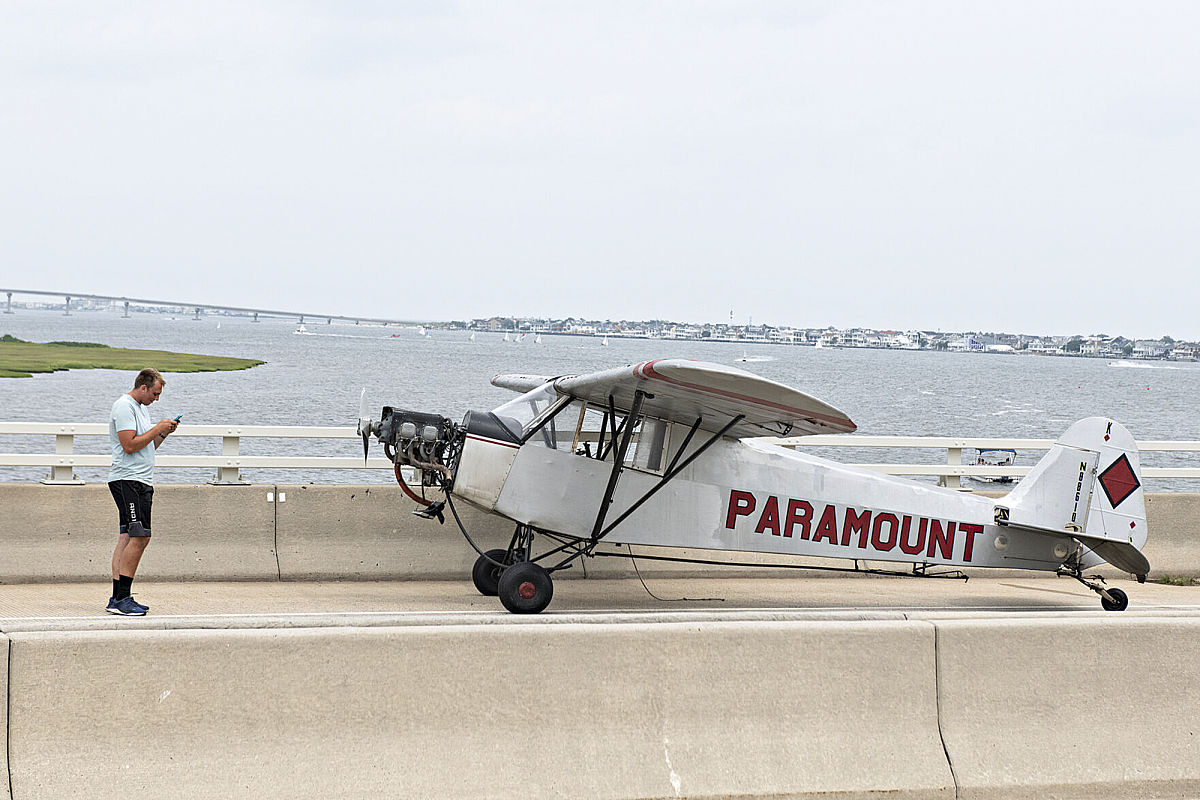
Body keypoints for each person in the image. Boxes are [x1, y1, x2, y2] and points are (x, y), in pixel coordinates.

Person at [106, 368, 178, 615]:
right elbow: (128, 446)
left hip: (139, 480)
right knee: (140, 537)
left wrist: (162, 434)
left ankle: (117, 598)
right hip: (129, 480)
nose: (156, 399)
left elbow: (145, 446)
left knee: (127, 537)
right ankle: (123, 598)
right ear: (143, 386)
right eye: (155, 394)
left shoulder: (141, 409)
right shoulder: (124, 406)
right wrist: (156, 427)